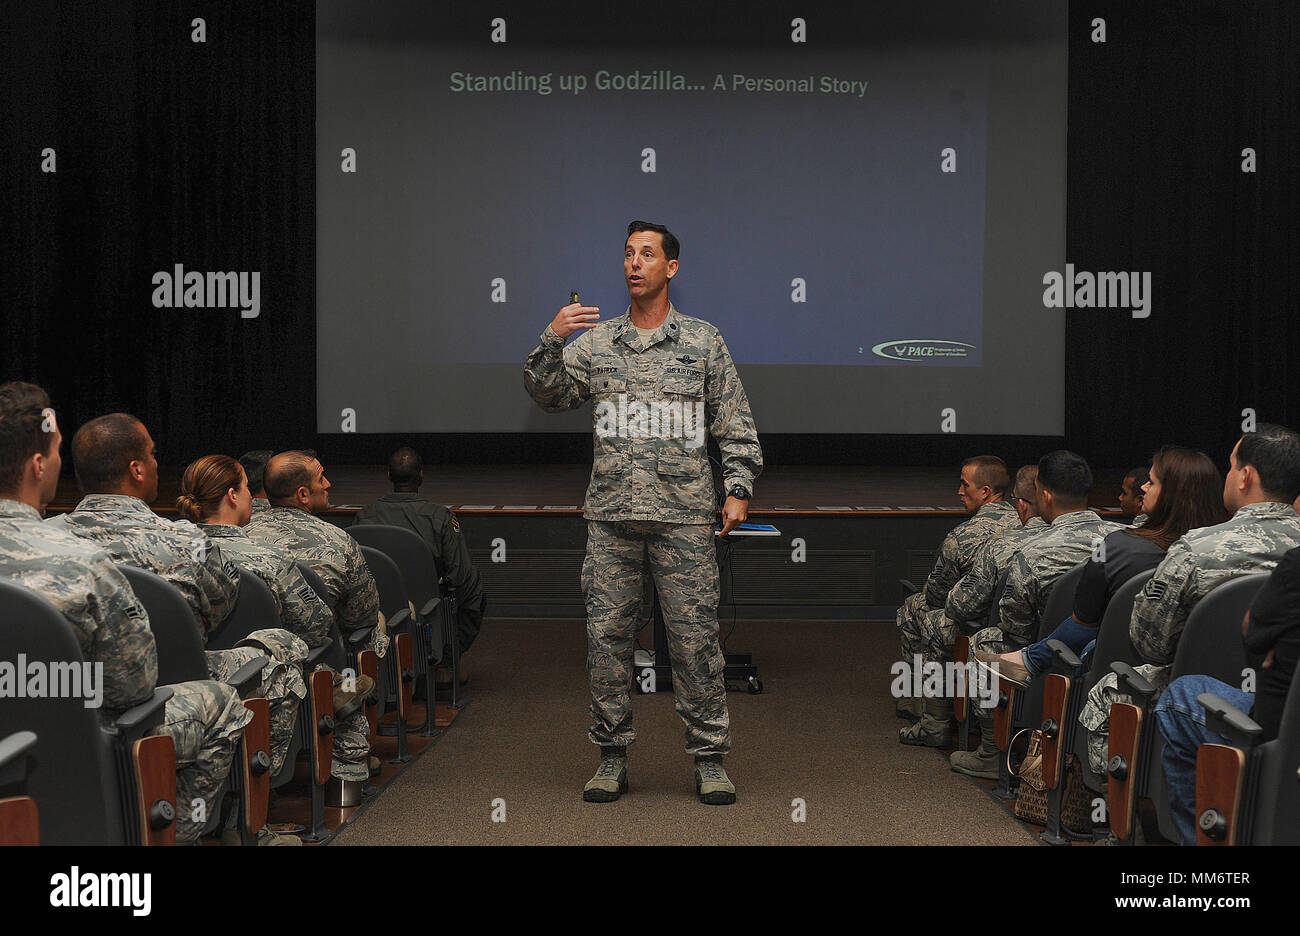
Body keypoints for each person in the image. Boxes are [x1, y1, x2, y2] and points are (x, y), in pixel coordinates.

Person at [523, 220, 762, 805]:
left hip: (683, 518)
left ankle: (708, 757)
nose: (635, 264)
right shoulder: (598, 343)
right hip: (612, 518)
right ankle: (610, 756)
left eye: (647, 254)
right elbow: (547, 393)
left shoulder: (703, 341)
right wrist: (552, 337)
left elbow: (734, 422)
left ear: (671, 268)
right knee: (606, 639)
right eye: (628, 254)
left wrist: (739, 485)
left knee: (695, 641)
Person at [0, 383, 252, 844]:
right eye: (56, 451)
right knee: (220, 702)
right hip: (75, 746)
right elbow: (132, 685)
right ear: (38, 465)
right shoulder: (80, 562)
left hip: (12, 746)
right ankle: (161, 833)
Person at [50, 414, 307, 780]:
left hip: (67, 697)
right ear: (137, 470)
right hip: (168, 693)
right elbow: (219, 611)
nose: (158, 463)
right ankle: (245, 820)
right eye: (154, 455)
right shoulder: (187, 542)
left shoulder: (45, 541)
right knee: (282, 648)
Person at [1080, 425, 1300, 775]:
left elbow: (1150, 646)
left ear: (1245, 477)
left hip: (1198, 694)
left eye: (1230, 467)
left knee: (1108, 691)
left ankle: (1118, 815)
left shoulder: (1196, 549)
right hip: (1286, 705)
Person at [177, 454, 376, 783]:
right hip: (261, 684)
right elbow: (315, 627)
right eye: (245, 487)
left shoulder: (165, 552)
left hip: (187, 682)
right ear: (233, 496)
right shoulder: (270, 560)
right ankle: (342, 758)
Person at [977, 448, 1226, 687]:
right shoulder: (1222, 554)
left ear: (1171, 494)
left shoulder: (1117, 547)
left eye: (1151, 482)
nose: (1143, 487)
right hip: (1213, 674)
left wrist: (1030, 655)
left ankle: (1026, 664)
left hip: (1119, 675)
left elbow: (1082, 624)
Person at [951, 451, 1124, 778]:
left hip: (1046, 659)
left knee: (984, 642)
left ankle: (992, 751)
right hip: (1109, 656)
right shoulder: (1123, 540)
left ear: (1043, 495)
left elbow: (1015, 629)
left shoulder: (1032, 554)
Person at [1153, 544, 1300, 844]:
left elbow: (1151, 642)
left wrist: (1279, 645)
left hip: (1279, 743)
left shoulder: (1192, 550)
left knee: (1178, 698)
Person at [896, 456, 1019, 747]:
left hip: (976, 627)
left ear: (986, 491)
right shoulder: (1029, 526)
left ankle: (931, 717)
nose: (959, 491)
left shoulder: (963, 536)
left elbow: (937, 596)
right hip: (1018, 626)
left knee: (917, 609)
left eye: (965, 485)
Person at [355, 446, 485, 686]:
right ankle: (445, 661)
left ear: (388, 476)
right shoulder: (439, 517)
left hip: (378, 603)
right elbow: (460, 575)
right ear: (421, 476)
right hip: (427, 603)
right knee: (472, 584)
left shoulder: (365, 516)